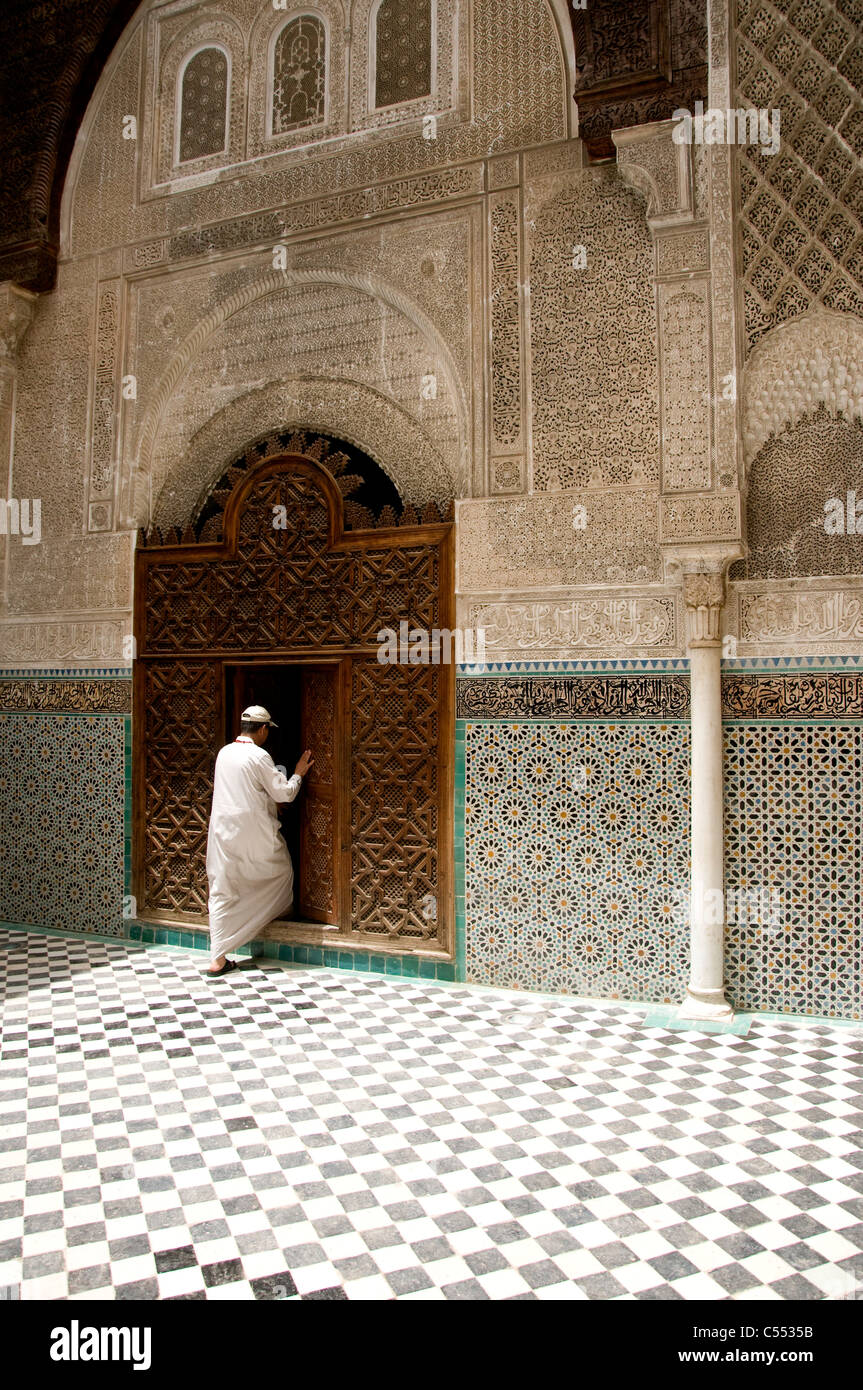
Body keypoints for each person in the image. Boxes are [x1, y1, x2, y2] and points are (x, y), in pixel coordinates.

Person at [205, 704, 313, 977]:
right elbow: (284, 793)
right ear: (263, 729)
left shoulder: (224, 753)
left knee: (222, 887)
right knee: (281, 872)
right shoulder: (259, 756)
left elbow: (244, 789)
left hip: (222, 832)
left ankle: (217, 958)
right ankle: (276, 920)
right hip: (251, 832)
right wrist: (299, 772)